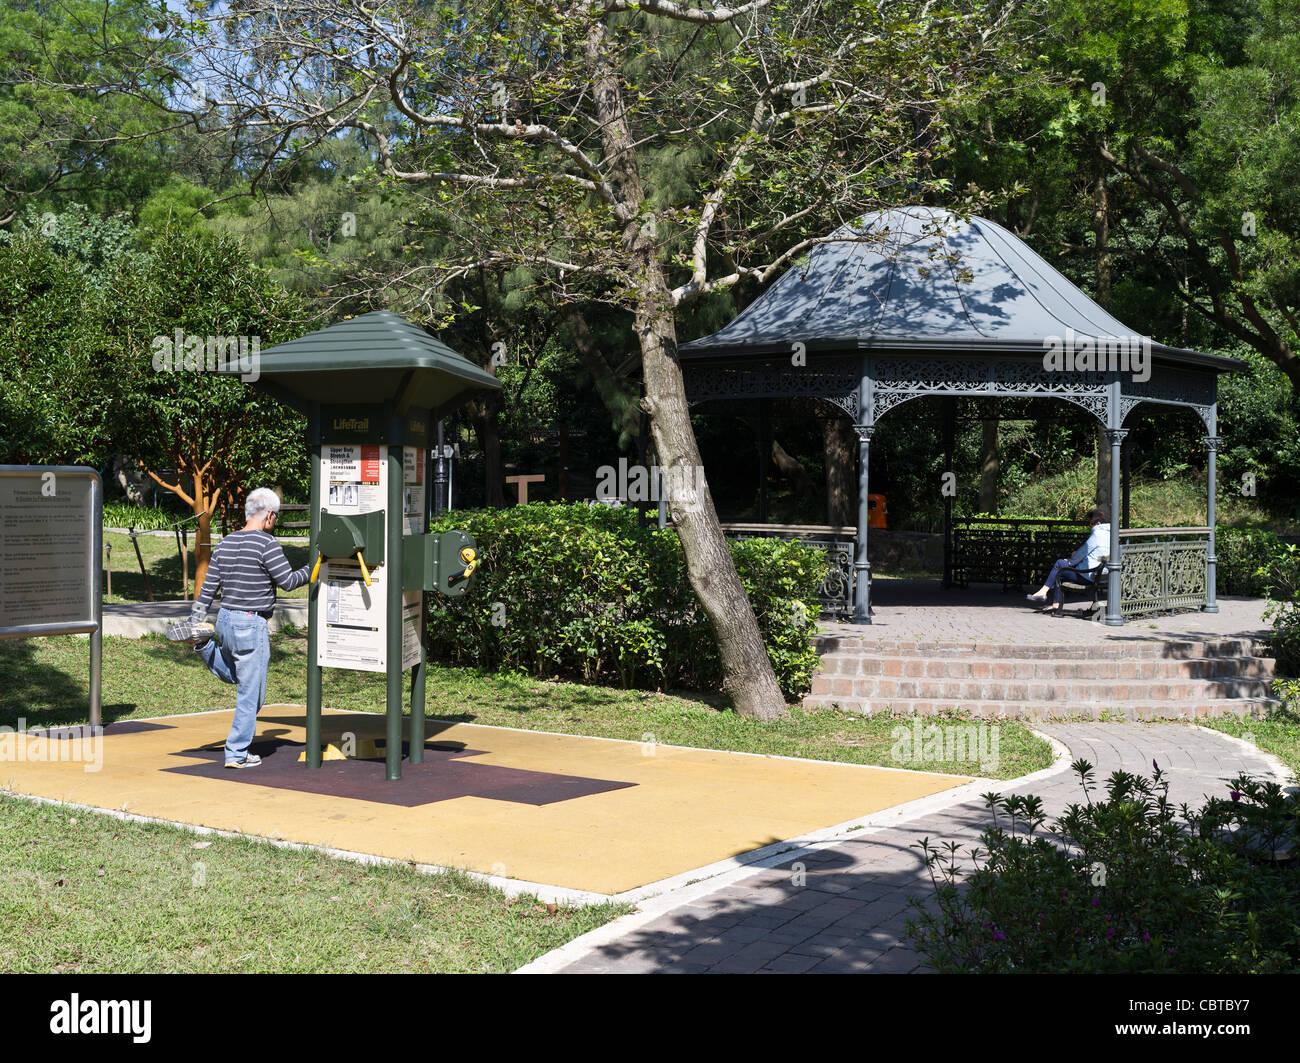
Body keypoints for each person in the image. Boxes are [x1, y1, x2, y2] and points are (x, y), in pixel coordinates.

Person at [166, 488, 311, 767]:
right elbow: (289, 581)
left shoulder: (226, 543)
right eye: (276, 517)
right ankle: (236, 753)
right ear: (269, 515)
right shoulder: (268, 544)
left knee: (236, 675)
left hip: (225, 620)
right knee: (251, 693)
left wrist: (196, 620)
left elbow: (208, 589)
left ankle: (203, 643)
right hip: (251, 623)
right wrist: (315, 567)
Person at [1026, 505, 1111, 614]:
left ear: (1098, 523)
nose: (1090, 526)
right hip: (1105, 575)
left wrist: (1070, 560)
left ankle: (1044, 593)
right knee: (1061, 569)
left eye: (1091, 523)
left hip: (1090, 576)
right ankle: (1053, 603)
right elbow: (1094, 554)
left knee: (1060, 564)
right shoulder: (1111, 533)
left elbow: (1082, 553)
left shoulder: (1097, 534)